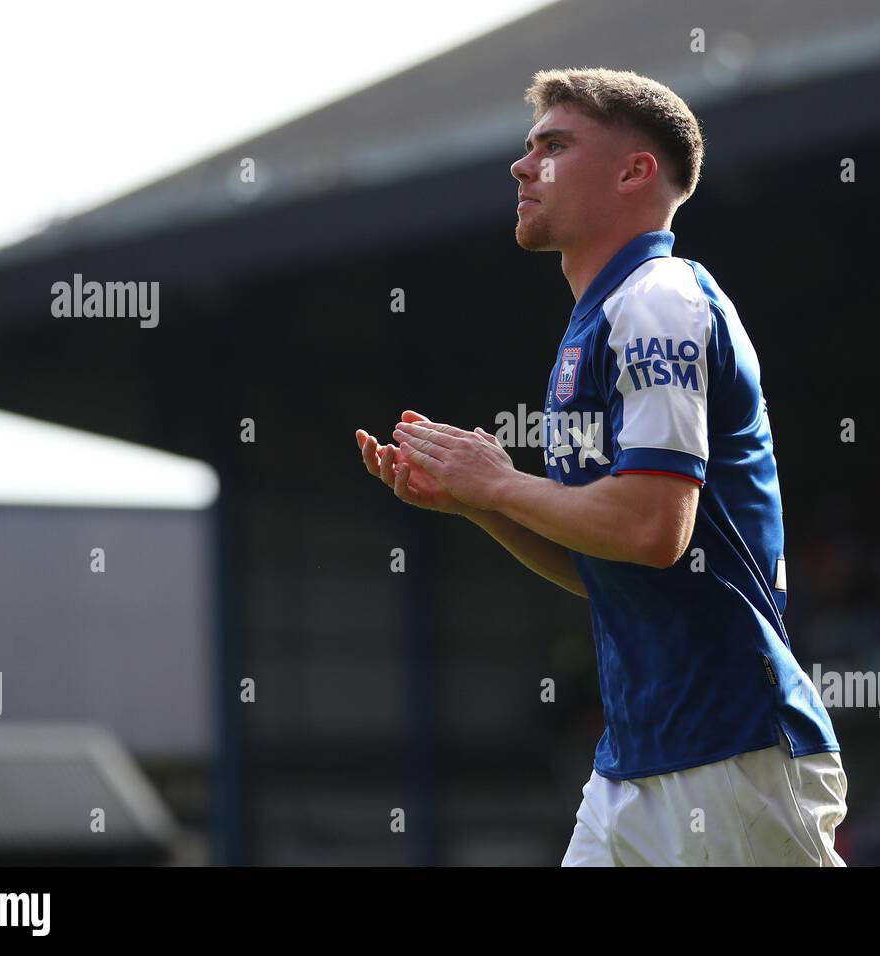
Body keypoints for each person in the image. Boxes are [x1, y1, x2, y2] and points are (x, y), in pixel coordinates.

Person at [355, 67, 847, 866]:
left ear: (633, 171)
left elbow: (655, 529)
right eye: (527, 147)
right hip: (634, 765)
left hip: (727, 755)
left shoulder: (659, 300)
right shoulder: (596, 322)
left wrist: (503, 483)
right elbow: (607, 566)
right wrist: (478, 503)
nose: (523, 166)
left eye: (554, 146)